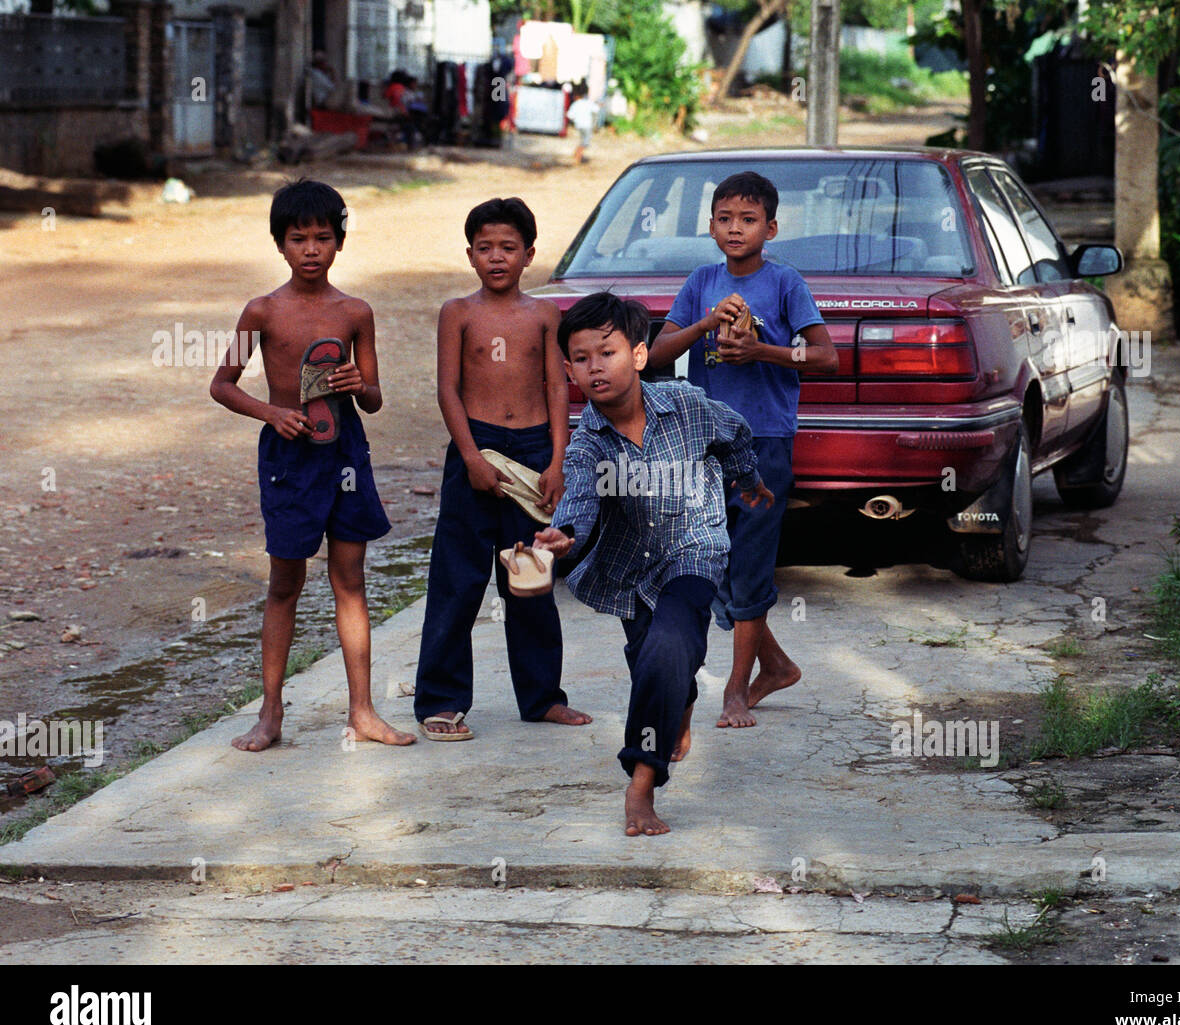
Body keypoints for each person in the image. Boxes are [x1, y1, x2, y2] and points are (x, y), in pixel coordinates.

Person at [532, 293, 772, 836]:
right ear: (569, 369)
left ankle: (640, 787)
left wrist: (748, 481)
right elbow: (580, 504)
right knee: (658, 669)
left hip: (694, 550)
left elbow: (735, 431)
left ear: (639, 355)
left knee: (669, 646)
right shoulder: (586, 441)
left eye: (608, 352)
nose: (596, 367)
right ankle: (679, 703)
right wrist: (564, 536)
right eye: (582, 358)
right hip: (629, 571)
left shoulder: (687, 405)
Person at [209, 178, 415, 751]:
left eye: (323, 237)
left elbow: (373, 398)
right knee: (284, 583)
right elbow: (222, 384)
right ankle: (270, 713)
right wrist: (270, 413)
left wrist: (360, 384)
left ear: (340, 242)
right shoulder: (262, 311)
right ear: (279, 244)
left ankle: (364, 712)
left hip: (343, 450)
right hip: (288, 455)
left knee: (350, 580)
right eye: (298, 238)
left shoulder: (355, 312)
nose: (310, 249)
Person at [648, 170, 837, 731]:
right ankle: (775, 664)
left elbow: (824, 358)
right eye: (725, 219)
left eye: (748, 220)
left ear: (771, 228)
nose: (735, 229)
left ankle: (736, 690)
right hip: (708, 443)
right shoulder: (702, 280)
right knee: (712, 564)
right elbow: (657, 352)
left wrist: (762, 350)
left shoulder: (785, 284)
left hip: (764, 444)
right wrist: (707, 322)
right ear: (710, 226)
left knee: (751, 565)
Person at [412, 197, 589, 740]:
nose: (496, 257)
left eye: (508, 248)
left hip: (534, 450)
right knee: (457, 580)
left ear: (529, 254)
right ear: (469, 255)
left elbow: (557, 387)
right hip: (476, 447)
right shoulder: (458, 313)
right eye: (485, 248)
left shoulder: (543, 314)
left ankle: (542, 698)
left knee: (531, 580)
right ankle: (441, 701)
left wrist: (558, 461)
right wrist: (469, 456)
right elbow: (447, 388)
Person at [566, 83, 597, 164]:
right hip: (587, 125)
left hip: (579, 125)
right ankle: (577, 157)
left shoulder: (575, 104)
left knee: (582, 141)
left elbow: (569, 115)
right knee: (585, 143)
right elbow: (596, 110)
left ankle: (576, 154)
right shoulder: (588, 103)